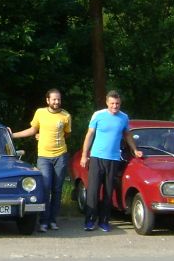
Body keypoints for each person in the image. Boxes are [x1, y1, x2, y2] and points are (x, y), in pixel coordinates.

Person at [79, 90, 142, 232]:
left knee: (108, 192)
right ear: (107, 103)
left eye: (117, 103)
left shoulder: (124, 118)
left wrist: (135, 150)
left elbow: (127, 134)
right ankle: (90, 220)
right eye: (112, 103)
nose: (115, 106)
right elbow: (89, 135)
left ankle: (104, 221)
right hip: (97, 157)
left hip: (113, 159)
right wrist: (84, 155)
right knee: (93, 191)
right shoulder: (98, 115)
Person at [11, 88, 72, 232]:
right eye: (54, 99)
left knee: (57, 189)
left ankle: (53, 220)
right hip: (44, 156)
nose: (57, 102)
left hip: (61, 156)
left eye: (59, 99)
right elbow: (32, 130)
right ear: (48, 100)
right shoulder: (40, 113)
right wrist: (12, 135)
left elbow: (67, 134)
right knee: (45, 188)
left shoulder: (66, 116)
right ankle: (43, 221)